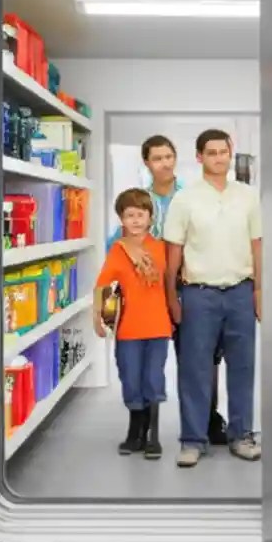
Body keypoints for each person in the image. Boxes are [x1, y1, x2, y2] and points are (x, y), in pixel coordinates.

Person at [107, 135, 230, 446]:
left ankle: (208, 422)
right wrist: (129, 245)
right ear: (146, 163)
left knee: (201, 359)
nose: (164, 163)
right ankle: (144, 429)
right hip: (148, 295)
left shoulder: (192, 196)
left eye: (169, 156)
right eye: (157, 158)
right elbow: (115, 243)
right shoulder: (139, 202)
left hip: (188, 289)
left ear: (177, 158)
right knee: (147, 364)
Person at [163, 129, 263, 467]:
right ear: (200, 157)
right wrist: (172, 298)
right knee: (194, 369)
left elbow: (257, 245)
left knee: (243, 367)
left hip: (240, 293)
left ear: (230, 154)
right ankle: (193, 440)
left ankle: (241, 435)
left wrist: (259, 291)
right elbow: (173, 252)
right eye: (211, 152)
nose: (219, 158)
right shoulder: (185, 199)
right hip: (198, 294)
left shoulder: (248, 196)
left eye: (224, 152)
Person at [93, 188, 173, 459]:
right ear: (121, 219)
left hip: (159, 326)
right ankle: (134, 429)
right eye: (130, 215)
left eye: (141, 214)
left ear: (151, 218)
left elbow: (173, 283)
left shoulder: (162, 248)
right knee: (130, 378)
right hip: (128, 328)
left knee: (153, 378)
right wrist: (98, 318)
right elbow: (102, 285)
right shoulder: (118, 250)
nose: (136, 220)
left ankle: (153, 436)